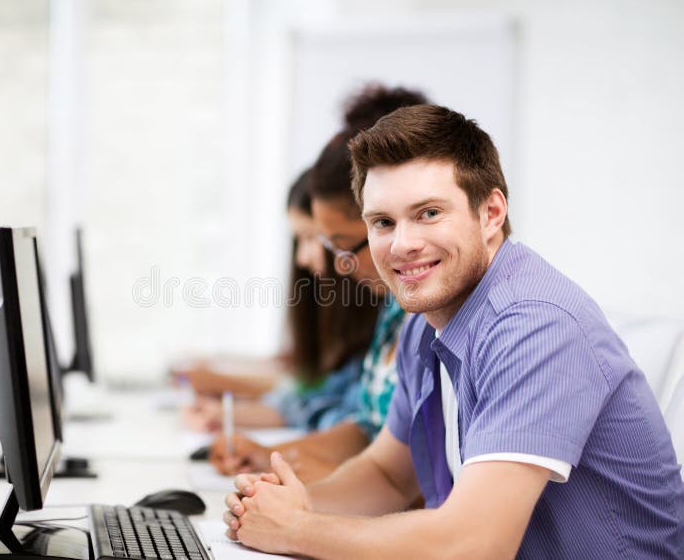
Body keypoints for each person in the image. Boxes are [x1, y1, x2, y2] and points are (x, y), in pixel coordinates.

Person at [221, 104, 684, 558]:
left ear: (491, 213)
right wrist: (285, 506)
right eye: (383, 222)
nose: (402, 244)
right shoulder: (425, 323)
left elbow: (476, 544)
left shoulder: (535, 324)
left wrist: (299, 530)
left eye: (428, 213)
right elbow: (387, 475)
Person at [209, 85, 429, 482]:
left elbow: (410, 480)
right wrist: (274, 460)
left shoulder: (449, 316)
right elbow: (370, 435)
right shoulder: (399, 306)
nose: (329, 264)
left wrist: (296, 496)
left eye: (330, 243)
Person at [182, 168, 380, 432]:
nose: (302, 258)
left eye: (310, 238)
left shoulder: (385, 315)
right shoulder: (354, 320)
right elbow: (311, 389)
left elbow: (349, 420)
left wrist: (228, 400)